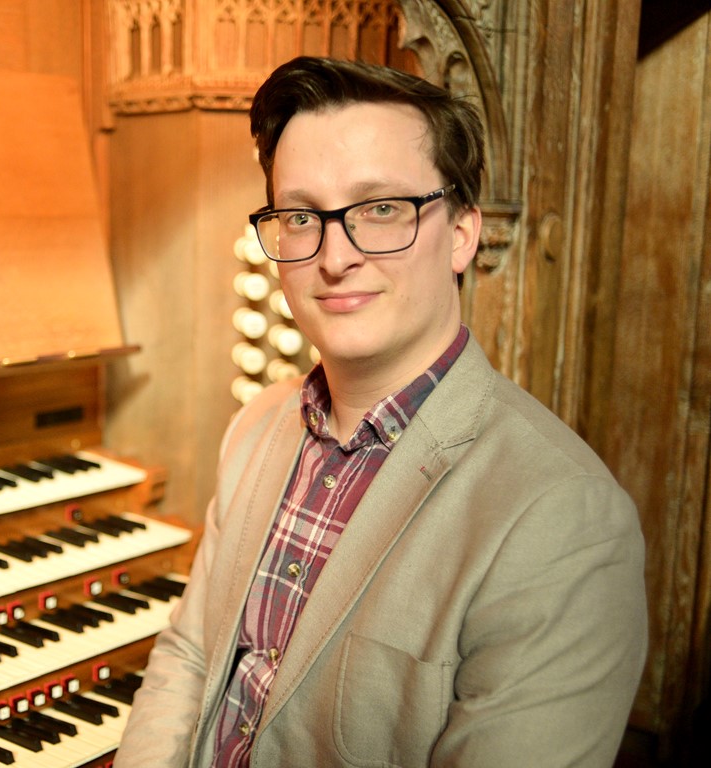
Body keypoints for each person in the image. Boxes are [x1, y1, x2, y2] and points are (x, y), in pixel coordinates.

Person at [114, 56, 647, 768]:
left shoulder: (566, 520)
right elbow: (190, 654)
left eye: (381, 209)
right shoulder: (255, 427)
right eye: (302, 216)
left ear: (462, 232)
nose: (334, 257)